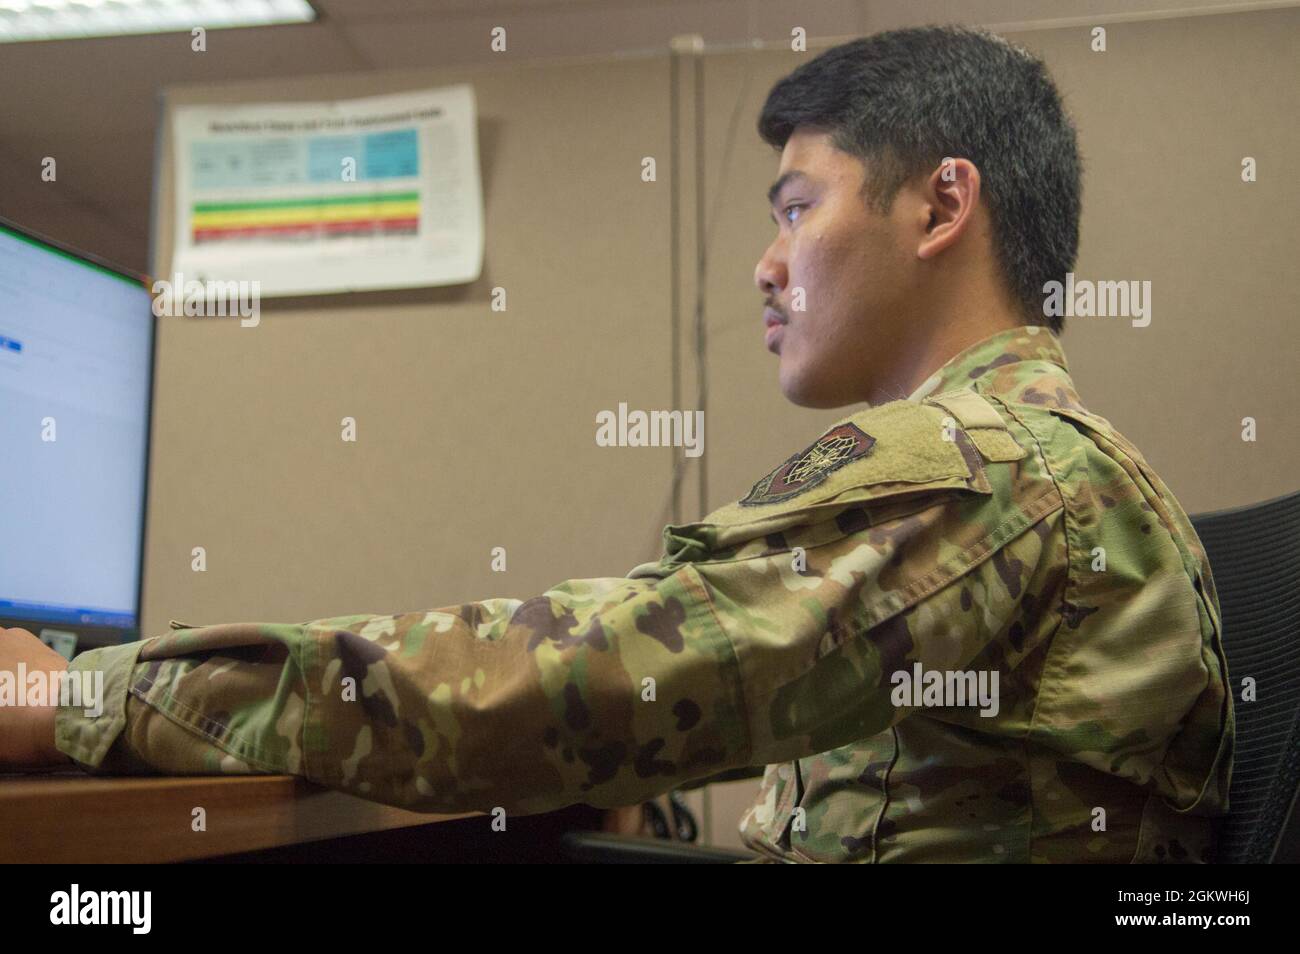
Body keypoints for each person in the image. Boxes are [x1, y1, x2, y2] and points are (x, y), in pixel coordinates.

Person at [0, 25, 1232, 863]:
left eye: (797, 208)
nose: (764, 264)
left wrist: (75, 698)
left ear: (942, 206)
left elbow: (552, 688)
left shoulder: (987, 473)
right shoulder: (1039, 464)